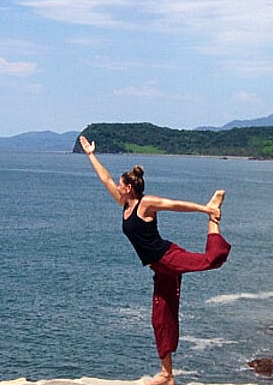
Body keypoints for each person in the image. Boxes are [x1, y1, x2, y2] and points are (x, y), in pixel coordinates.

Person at [78, 135, 230, 385]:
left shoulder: (145, 204)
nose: (116, 186)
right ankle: (167, 375)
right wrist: (91, 155)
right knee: (161, 318)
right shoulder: (124, 205)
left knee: (211, 260)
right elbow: (104, 178)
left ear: (128, 188)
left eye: (120, 184)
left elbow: (174, 205)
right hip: (160, 269)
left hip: (168, 256)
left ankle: (213, 218)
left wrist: (206, 210)